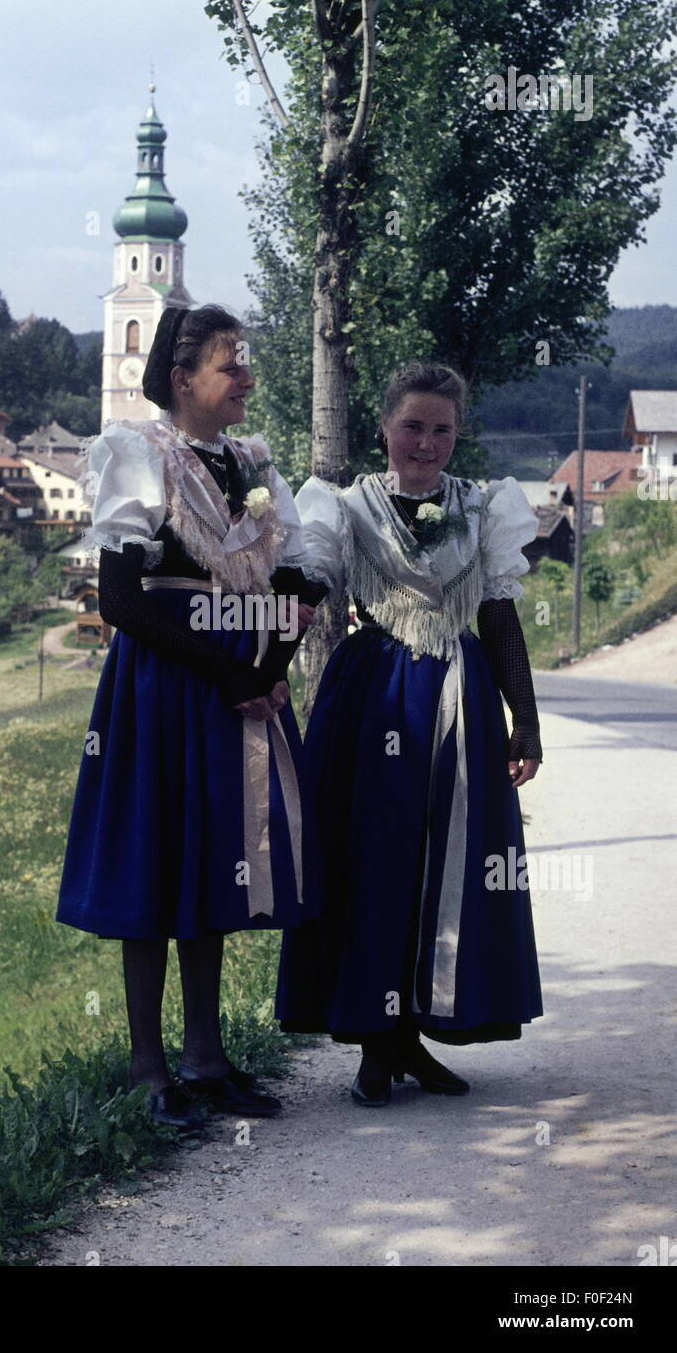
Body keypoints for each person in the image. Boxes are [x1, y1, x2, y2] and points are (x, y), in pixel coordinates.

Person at [56, 304, 325, 1131]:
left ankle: (206, 1056)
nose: (246, 377)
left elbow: (303, 570)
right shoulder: (140, 454)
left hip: (237, 688)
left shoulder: (252, 462)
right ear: (182, 381)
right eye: (229, 364)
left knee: (214, 864)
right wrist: (229, 673)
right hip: (165, 686)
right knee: (155, 862)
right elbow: (120, 601)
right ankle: (147, 1066)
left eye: (245, 361)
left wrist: (268, 671)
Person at [275, 361, 544, 1104]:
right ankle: (374, 1038)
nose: (426, 443)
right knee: (373, 861)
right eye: (413, 426)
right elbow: (309, 590)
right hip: (375, 698)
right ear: (385, 428)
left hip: (461, 697)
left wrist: (525, 719)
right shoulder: (344, 505)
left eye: (442, 429)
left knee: (444, 865)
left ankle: (414, 1033)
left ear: (458, 435)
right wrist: (263, 670)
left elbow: (498, 615)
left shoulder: (484, 506)